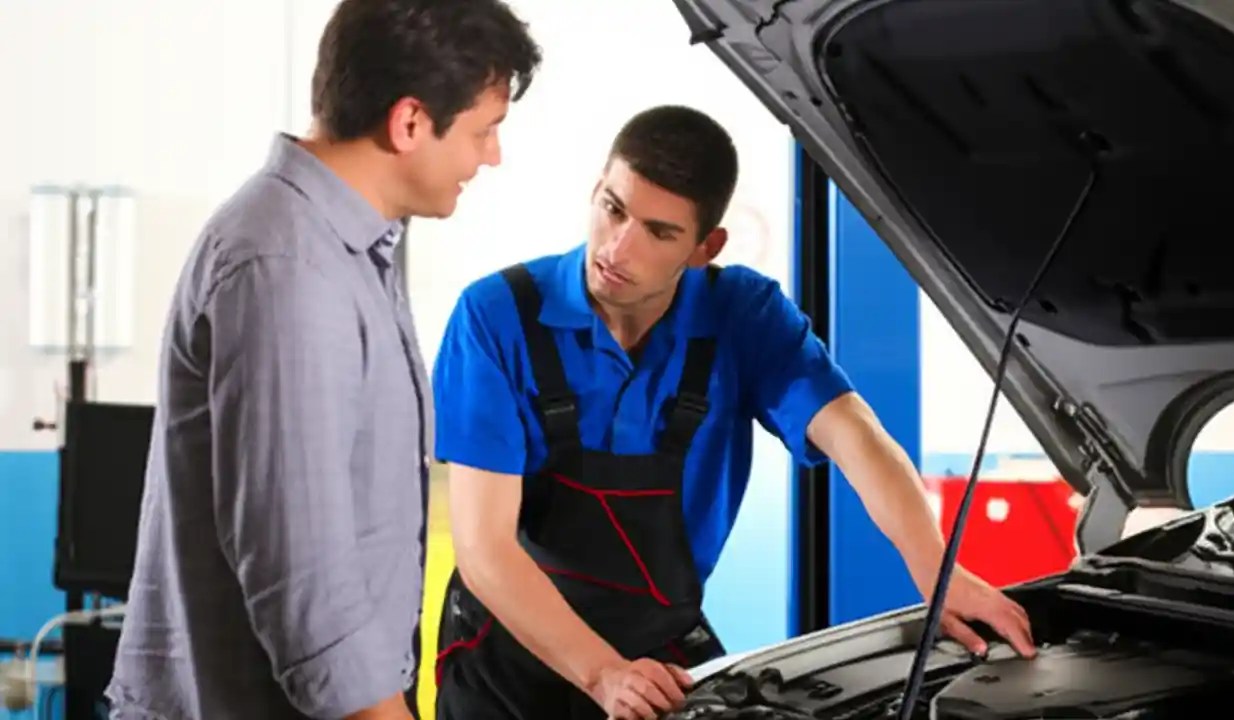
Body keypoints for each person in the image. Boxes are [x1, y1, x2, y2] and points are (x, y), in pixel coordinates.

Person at [429, 105, 1037, 720]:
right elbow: (485, 550)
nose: (618, 248)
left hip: (654, 655)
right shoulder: (495, 318)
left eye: (660, 232)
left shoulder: (743, 315)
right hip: (506, 662)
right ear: (597, 189)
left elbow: (855, 434)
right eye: (614, 209)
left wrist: (938, 573)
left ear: (705, 246)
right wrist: (604, 674)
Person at [105, 2, 540, 719]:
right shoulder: (286, 265)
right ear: (408, 123)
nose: (491, 155)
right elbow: (303, 577)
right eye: (483, 131)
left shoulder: (348, 250)